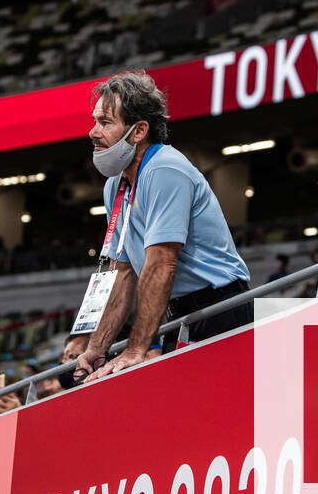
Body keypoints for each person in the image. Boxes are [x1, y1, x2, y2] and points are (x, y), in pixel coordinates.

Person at [76, 71, 251, 382]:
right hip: (179, 312)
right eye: (95, 121)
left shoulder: (164, 168)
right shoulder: (115, 184)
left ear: (139, 130)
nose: (92, 132)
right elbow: (122, 272)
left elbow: (162, 263)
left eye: (105, 122)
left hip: (221, 308)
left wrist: (137, 348)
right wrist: (97, 346)